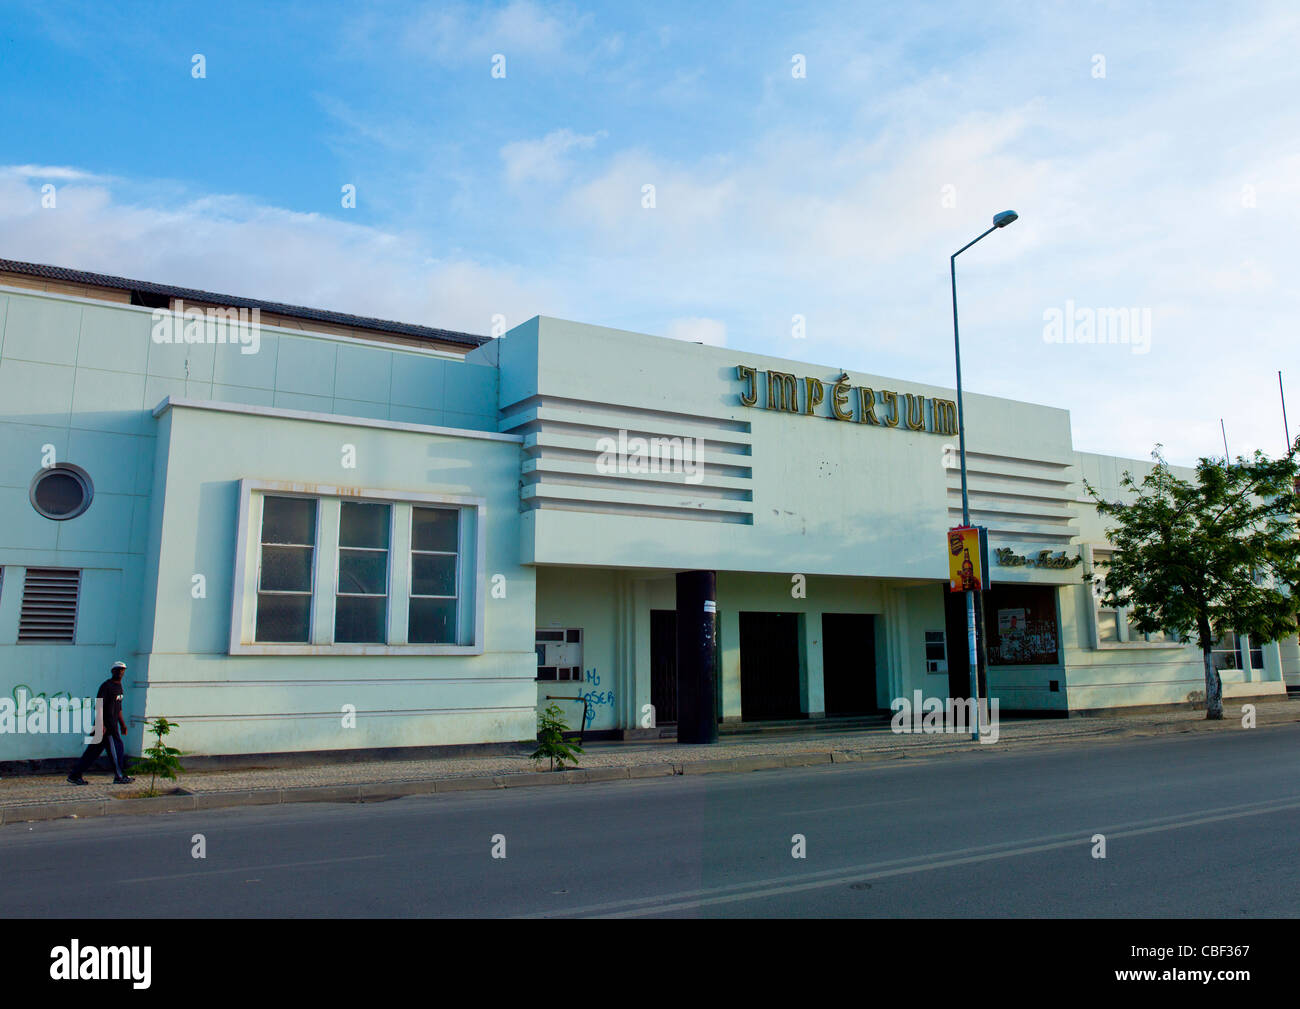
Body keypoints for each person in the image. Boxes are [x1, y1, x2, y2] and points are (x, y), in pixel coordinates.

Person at [67, 660, 134, 785]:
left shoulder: (119, 687)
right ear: (112, 671)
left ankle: (74, 775)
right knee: (117, 749)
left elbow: (118, 708)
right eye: (117, 669)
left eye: (122, 670)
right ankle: (119, 776)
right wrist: (101, 724)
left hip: (112, 725)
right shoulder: (106, 686)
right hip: (106, 727)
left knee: (91, 753)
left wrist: (123, 724)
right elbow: (99, 706)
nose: (120, 672)